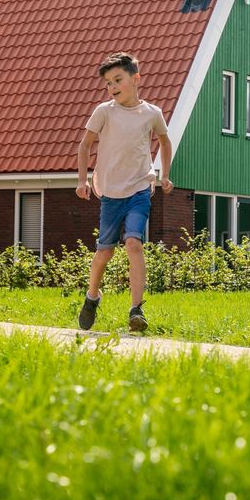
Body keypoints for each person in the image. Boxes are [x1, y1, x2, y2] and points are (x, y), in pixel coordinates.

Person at [76, 52, 172, 332]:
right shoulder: (104, 111)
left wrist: (164, 174)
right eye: (108, 83)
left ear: (136, 79)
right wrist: (82, 181)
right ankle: (92, 296)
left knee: (134, 244)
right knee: (104, 253)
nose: (113, 87)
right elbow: (85, 146)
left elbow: (164, 143)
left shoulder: (152, 113)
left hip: (140, 188)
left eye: (118, 80)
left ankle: (136, 309)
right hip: (110, 192)